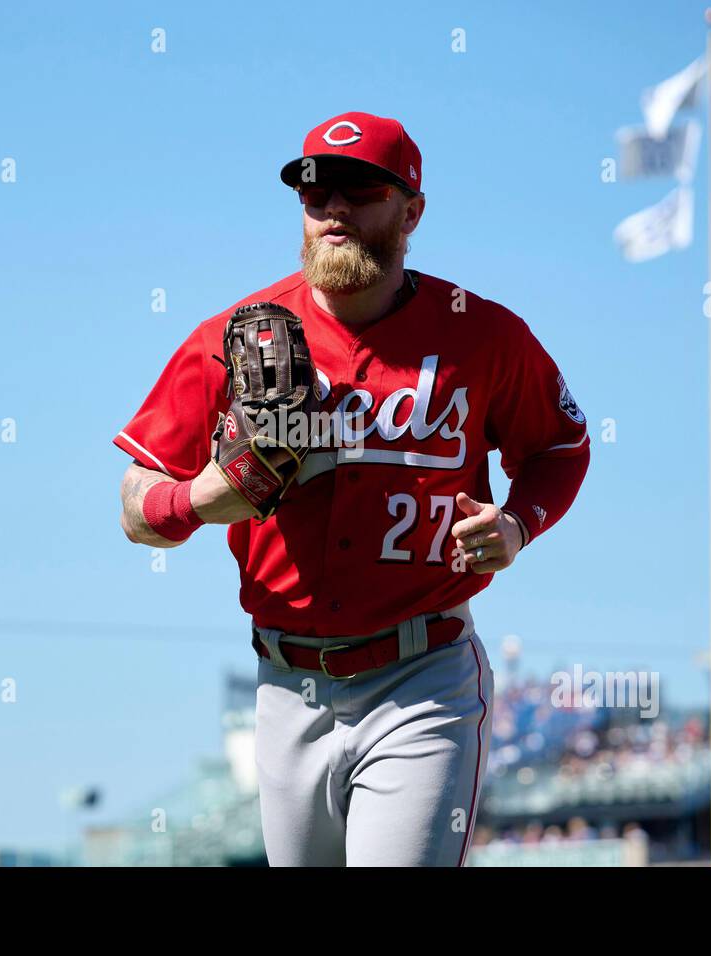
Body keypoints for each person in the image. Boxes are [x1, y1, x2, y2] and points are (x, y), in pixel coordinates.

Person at [115, 111, 590, 866]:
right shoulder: (233, 337)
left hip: (422, 679)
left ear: (412, 211)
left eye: (358, 191)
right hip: (283, 686)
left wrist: (519, 525)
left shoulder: (483, 334)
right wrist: (200, 498)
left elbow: (562, 446)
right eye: (315, 193)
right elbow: (136, 503)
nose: (333, 209)